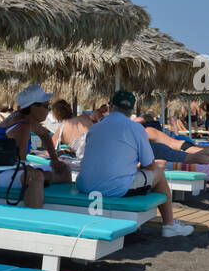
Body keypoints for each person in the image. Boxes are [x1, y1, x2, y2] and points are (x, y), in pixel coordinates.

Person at [77, 90, 192, 237]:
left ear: (111, 106)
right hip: (114, 189)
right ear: (131, 110)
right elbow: (149, 165)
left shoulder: (94, 128)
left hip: (85, 185)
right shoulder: (135, 128)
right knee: (159, 172)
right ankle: (169, 225)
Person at [0, 86, 73, 208]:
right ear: (33, 107)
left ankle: (58, 204)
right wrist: (42, 173)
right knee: (36, 177)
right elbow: (19, 162)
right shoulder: (22, 126)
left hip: (11, 169)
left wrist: (54, 159)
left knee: (64, 170)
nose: (48, 110)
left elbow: (44, 135)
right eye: (46, 106)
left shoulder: (25, 119)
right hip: (0, 174)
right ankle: (33, 216)